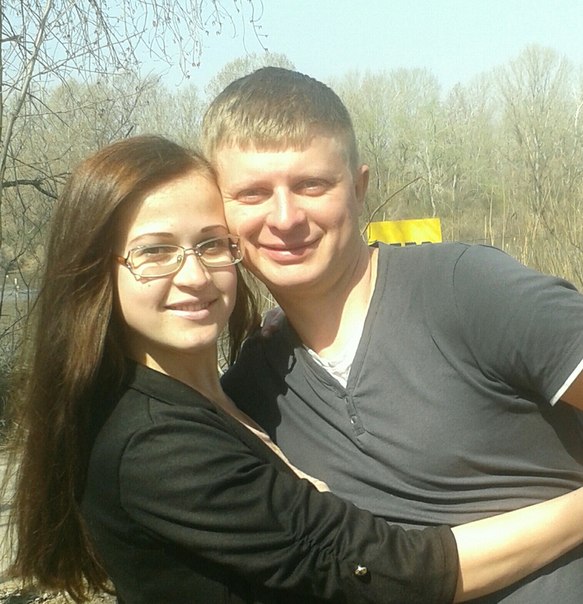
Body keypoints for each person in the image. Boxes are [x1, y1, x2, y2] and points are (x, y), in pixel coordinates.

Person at [4, 135, 583, 604]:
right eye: (154, 251)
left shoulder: (245, 390)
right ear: (96, 274)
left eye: (211, 244)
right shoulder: (152, 443)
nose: (194, 276)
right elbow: (391, 573)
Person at [202, 67, 583, 603]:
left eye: (312, 185)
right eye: (252, 193)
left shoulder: (467, 291)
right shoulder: (253, 389)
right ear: (218, 213)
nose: (285, 218)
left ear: (359, 188)